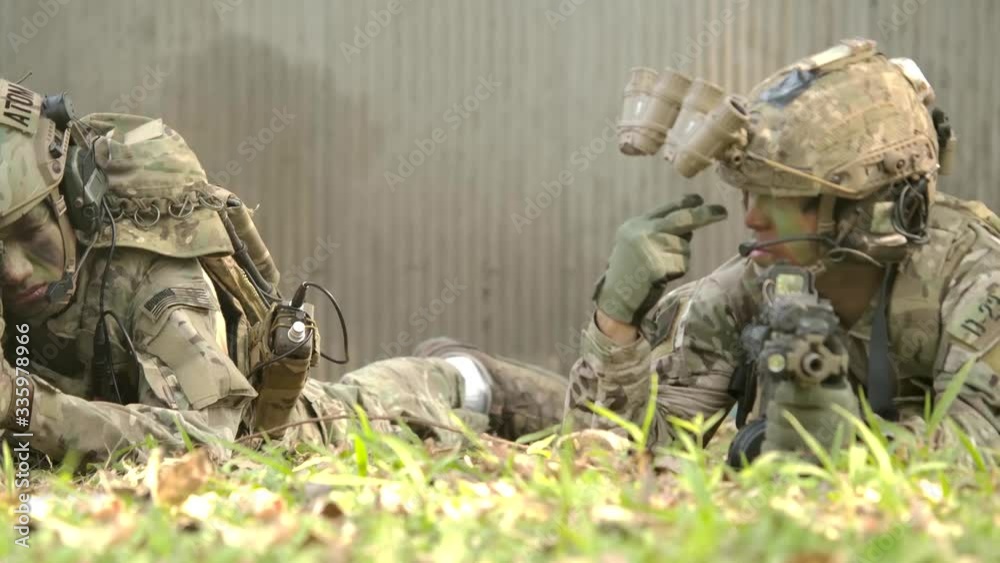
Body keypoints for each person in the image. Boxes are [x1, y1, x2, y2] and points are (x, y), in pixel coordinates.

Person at [0, 80, 565, 465]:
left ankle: (467, 374)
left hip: (285, 432)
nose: (15, 271)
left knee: (397, 402)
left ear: (76, 201)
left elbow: (210, 447)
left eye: (32, 235)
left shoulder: (155, 282)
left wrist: (22, 407)